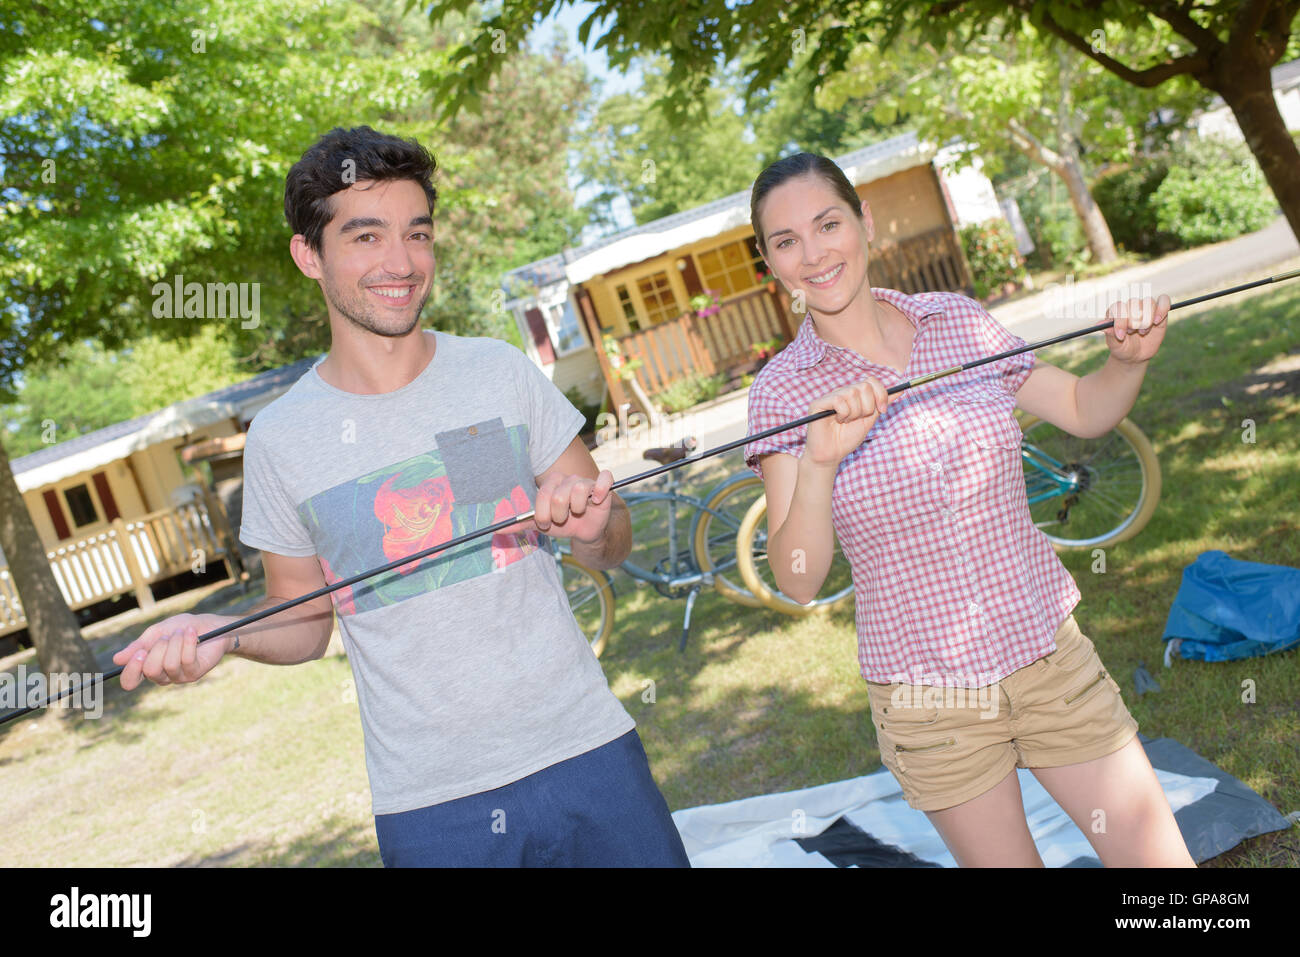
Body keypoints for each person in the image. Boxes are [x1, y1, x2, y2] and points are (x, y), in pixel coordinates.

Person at [112, 126, 690, 868]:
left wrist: (597, 522)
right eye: (366, 236)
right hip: (431, 808)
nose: (401, 262)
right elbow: (303, 622)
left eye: (417, 233)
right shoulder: (281, 440)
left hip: (589, 750)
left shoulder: (497, 373)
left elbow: (610, 546)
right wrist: (224, 635)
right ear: (308, 256)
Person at [743, 152, 1195, 868]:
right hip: (931, 701)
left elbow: (1082, 407)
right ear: (769, 262)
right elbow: (798, 577)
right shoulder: (781, 393)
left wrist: (1128, 361)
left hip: (1046, 651)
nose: (814, 253)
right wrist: (822, 461)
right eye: (786, 241)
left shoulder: (954, 320)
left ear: (863, 221)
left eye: (828, 223)